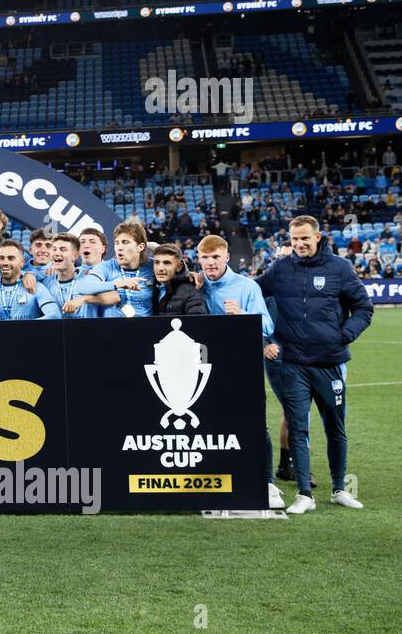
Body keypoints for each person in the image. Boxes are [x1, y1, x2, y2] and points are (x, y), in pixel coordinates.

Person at [256, 216, 373, 514]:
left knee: (335, 427)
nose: (299, 244)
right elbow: (253, 291)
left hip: (329, 362)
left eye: (305, 238)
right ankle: (304, 494)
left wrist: (343, 335)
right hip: (293, 363)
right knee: (298, 427)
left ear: (318, 237)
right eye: (295, 239)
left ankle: (338, 490)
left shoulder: (339, 267)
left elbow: (363, 307)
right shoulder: (281, 268)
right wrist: (205, 278)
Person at [194, 234, 284, 510]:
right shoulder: (196, 286)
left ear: (226, 257)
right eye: (205, 258)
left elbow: (267, 327)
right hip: (206, 367)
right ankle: (217, 478)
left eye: (215, 257)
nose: (210, 263)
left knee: (256, 423)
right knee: (208, 425)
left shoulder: (246, 286)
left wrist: (242, 314)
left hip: (242, 365)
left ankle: (267, 483)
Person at [75, 220, 154, 317]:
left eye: (125, 242)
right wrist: (118, 284)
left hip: (146, 327)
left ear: (140, 247)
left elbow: (174, 262)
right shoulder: (107, 267)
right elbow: (83, 287)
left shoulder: (152, 266)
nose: (119, 247)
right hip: (112, 328)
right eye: (117, 243)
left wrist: (154, 246)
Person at [0, 241, 59, 320]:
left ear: (22, 262)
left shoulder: (35, 286)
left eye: (11, 258)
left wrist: (24, 328)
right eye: (1, 258)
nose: (5, 262)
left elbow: (55, 315)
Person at [148, 244, 207, 315]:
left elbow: (198, 323)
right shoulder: (150, 288)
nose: (160, 268)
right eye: (157, 262)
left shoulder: (191, 293)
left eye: (167, 263)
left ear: (179, 266)